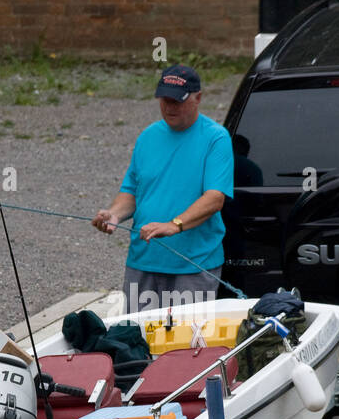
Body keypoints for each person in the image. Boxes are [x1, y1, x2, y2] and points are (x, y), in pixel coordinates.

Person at [92, 64, 233, 311]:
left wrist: (174, 225)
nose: (169, 107)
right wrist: (114, 214)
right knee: (137, 340)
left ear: (198, 98)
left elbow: (214, 198)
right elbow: (132, 192)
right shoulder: (147, 137)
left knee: (184, 343)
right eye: (164, 100)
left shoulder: (215, 138)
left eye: (177, 101)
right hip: (143, 261)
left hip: (193, 265)